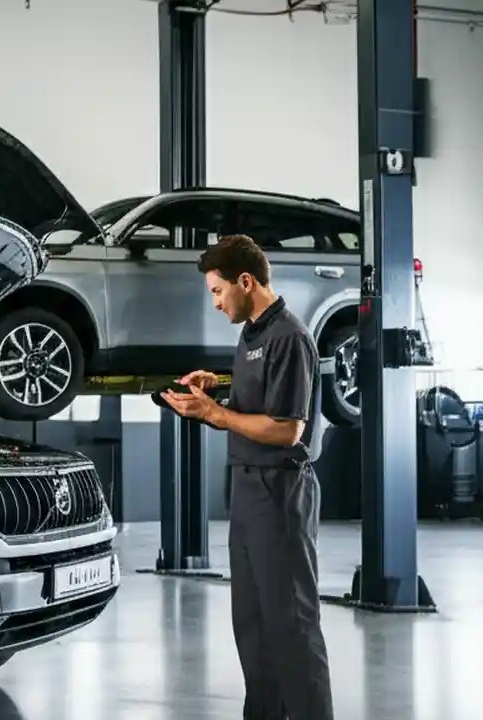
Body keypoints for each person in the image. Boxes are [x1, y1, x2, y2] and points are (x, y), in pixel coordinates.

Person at [161, 234, 334, 720]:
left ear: (245, 281)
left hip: (280, 492)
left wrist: (214, 413)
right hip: (246, 489)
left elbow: (286, 428)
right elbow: (258, 396)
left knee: (292, 625)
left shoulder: (290, 337)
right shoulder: (253, 334)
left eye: (218, 292)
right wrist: (218, 385)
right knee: (253, 627)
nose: (216, 303)